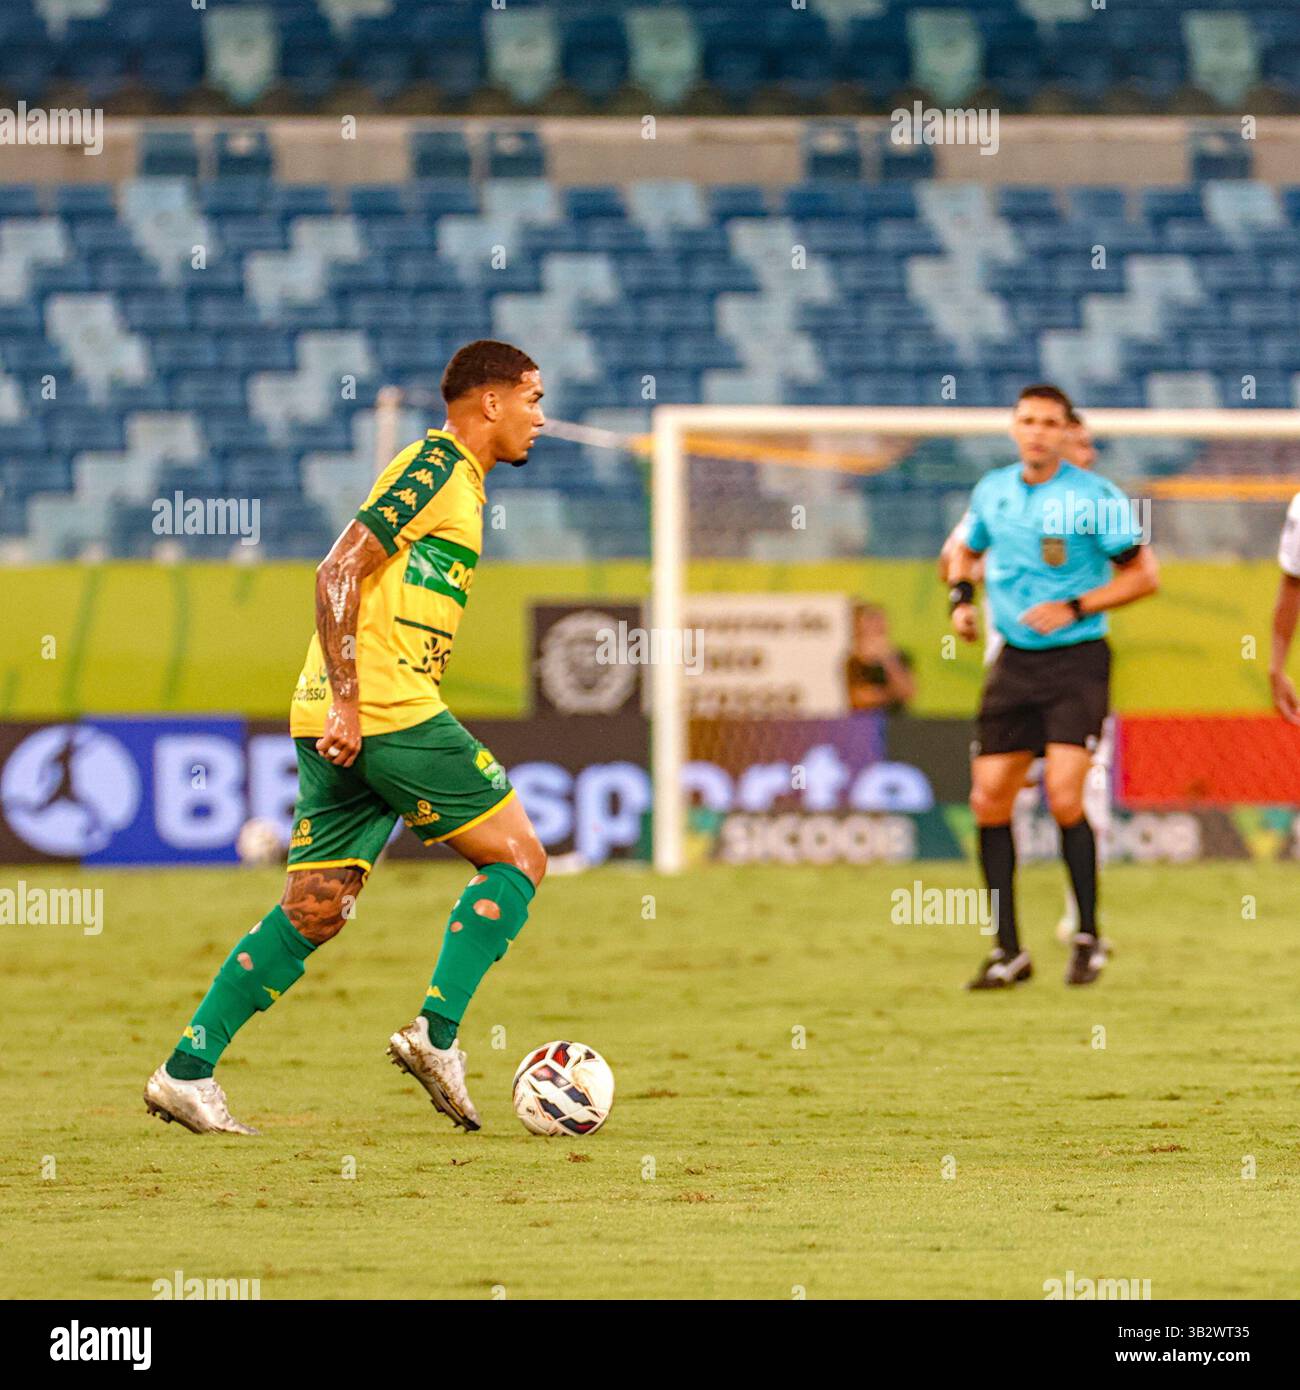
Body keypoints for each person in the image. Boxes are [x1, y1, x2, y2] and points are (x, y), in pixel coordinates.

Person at [144, 340, 548, 1134]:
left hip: (340, 710)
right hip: (383, 708)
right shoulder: (434, 467)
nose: (541, 416)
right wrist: (351, 702)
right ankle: (435, 1035)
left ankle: (185, 1071)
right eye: (533, 398)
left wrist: (336, 704)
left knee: (314, 910)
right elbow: (335, 571)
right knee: (519, 858)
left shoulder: (462, 484)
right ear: (491, 402)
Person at [947, 385, 1159, 989]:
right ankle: (1008, 950)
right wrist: (961, 603)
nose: (1037, 432)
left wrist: (1077, 604)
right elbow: (965, 552)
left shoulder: (1097, 499)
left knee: (1066, 797)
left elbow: (1144, 575)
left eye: (1049, 423)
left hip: (1077, 660)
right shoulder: (993, 491)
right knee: (988, 799)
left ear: (1067, 433)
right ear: (1013, 428)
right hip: (1014, 662)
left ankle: (1087, 936)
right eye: (1027, 421)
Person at [846, 602, 915, 713]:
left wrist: (887, 659)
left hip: (897, 722)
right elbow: (859, 698)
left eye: (878, 622)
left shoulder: (900, 656)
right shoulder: (854, 660)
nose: (874, 626)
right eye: (870, 621)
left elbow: (907, 691)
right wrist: (892, 694)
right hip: (866, 723)